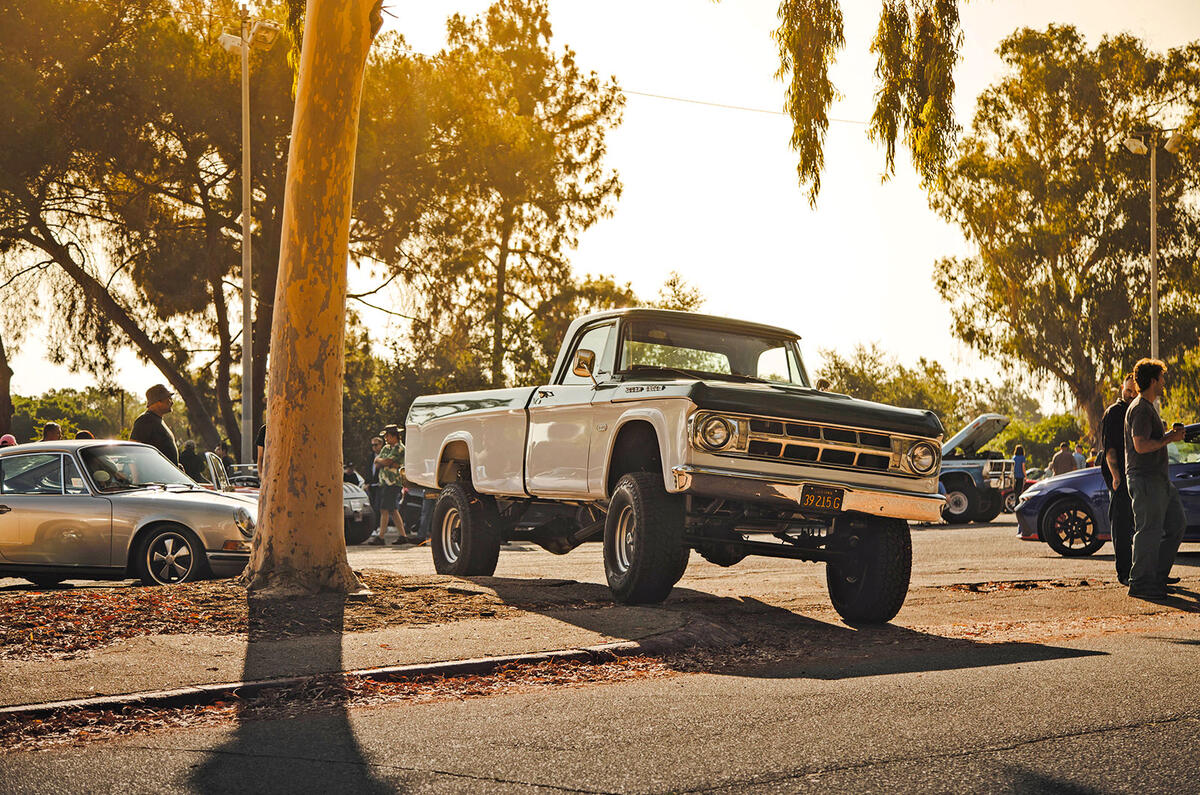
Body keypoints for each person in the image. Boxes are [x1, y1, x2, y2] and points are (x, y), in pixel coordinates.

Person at [1124, 358, 1187, 601]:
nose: (1164, 383)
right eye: (1161, 378)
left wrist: (1170, 436)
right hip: (1145, 479)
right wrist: (1167, 439)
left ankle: (1157, 577)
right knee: (1148, 530)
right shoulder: (1140, 408)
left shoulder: (1148, 407)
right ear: (1153, 381)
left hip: (1159, 479)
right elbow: (1140, 446)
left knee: (1176, 524)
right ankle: (1140, 583)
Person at [1101, 373, 1138, 585]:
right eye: (1128, 391)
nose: (1131, 395)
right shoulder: (1114, 413)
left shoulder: (1139, 408)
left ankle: (1145, 571)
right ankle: (1124, 573)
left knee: (1141, 524)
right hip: (1119, 475)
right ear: (1121, 388)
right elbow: (1110, 449)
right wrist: (1116, 477)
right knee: (1121, 526)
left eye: (1134, 392)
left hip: (1136, 473)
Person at [374, 424, 410, 544]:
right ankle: (403, 536)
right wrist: (385, 462)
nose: (386, 439)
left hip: (393, 482)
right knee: (392, 510)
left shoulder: (400, 448)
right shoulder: (386, 448)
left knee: (384, 509)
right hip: (384, 482)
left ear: (394, 436)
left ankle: (381, 537)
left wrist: (385, 462)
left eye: (387, 436)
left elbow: (387, 460)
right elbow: (378, 462)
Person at [130, 384, 179, 466]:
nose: (172, 402)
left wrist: (176, 466)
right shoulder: (145, 420)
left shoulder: (158, 421)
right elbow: (132, 453)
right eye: (168, 399)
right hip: (155, 478)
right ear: (158, 401)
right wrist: (137, 478)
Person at [365, 436, 386, 545]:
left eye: (376, 445)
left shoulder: (384, 456)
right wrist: (367, 482)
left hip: (380, 484)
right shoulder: (371, 456)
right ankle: (373, 528)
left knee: (379, 507)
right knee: (372, 506)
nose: (374, 447)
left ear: (381, 445)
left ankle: (378, 527)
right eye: (372, 445)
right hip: (372, 484)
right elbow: (368, 469)